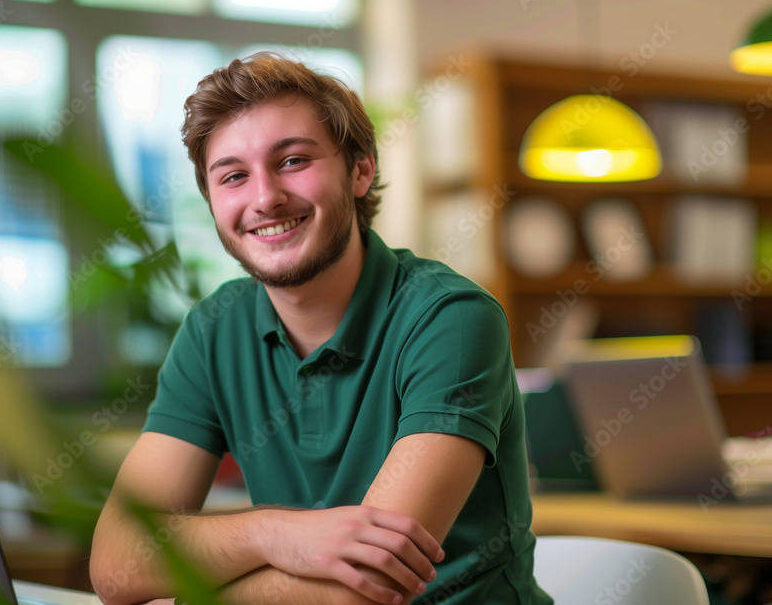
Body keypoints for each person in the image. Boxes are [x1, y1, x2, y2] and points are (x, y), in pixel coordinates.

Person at [90, 52, 552, 605]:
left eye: (292, 161)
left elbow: (367, 588)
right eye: (233, 176)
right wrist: (275, 533)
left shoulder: (450, 317)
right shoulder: (214, 329)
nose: (264, 198)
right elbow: (117, 565)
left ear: (360, 171)